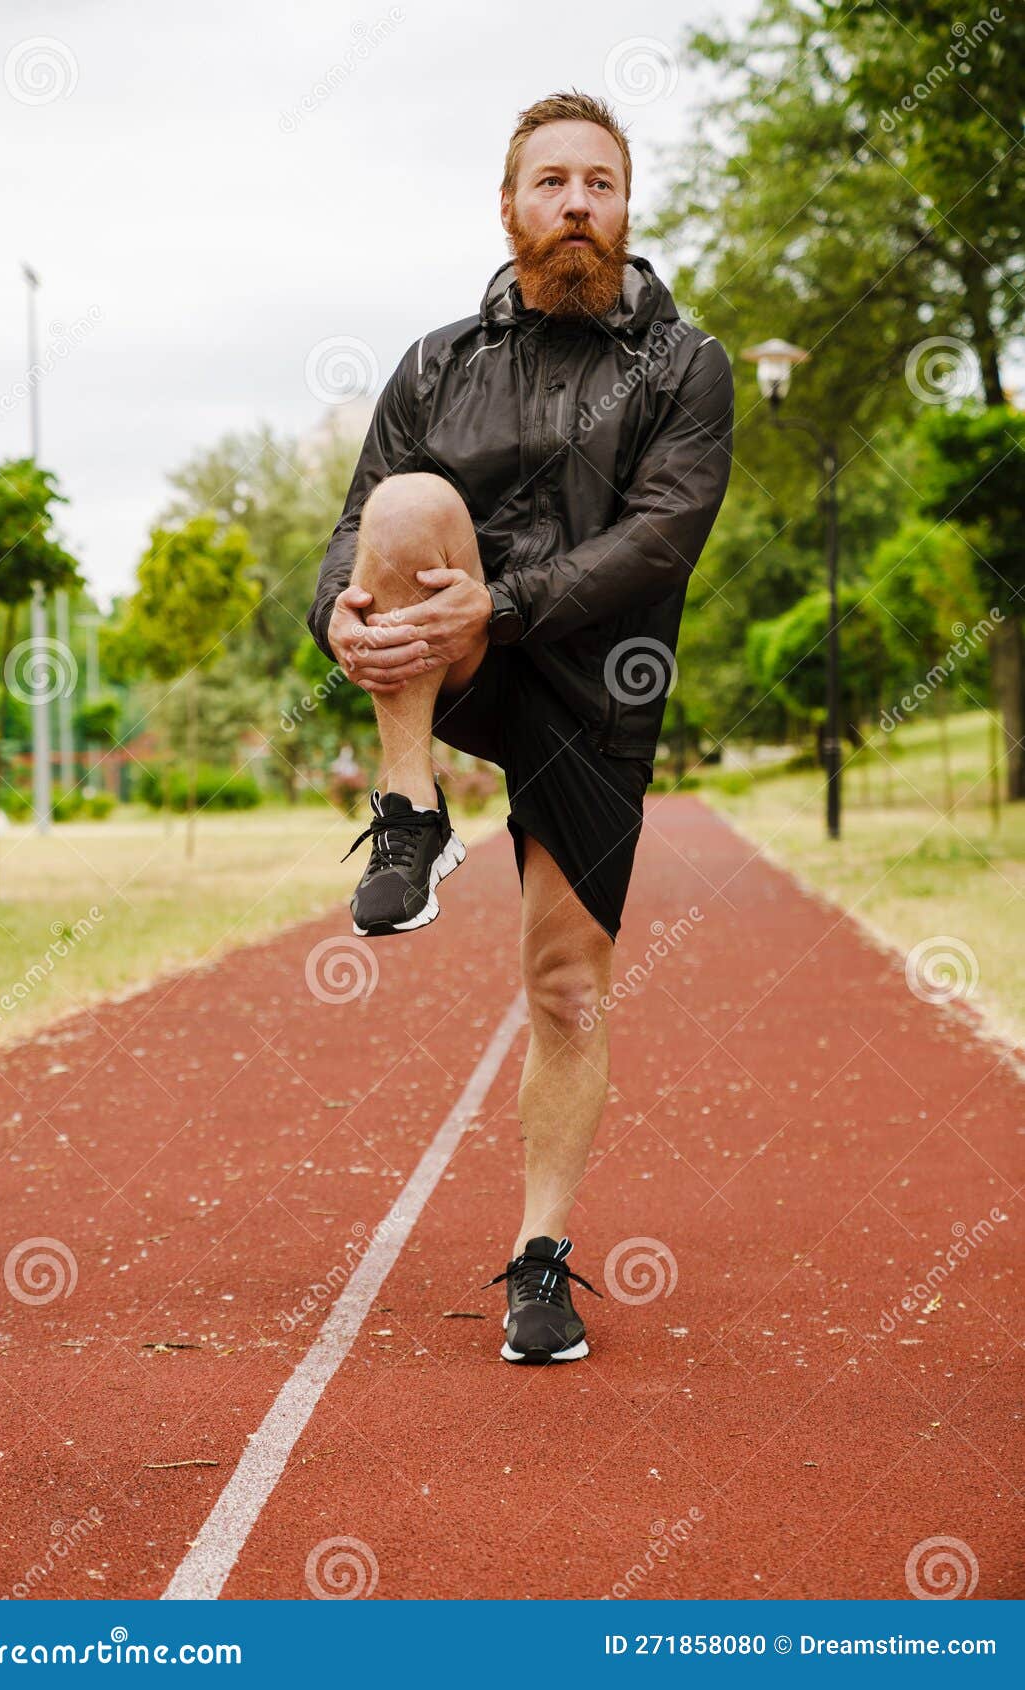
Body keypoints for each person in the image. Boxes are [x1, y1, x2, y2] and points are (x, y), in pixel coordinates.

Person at [309, 90, 734, 1363]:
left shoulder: (686, 365)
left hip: (596, 679)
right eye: (549, 183)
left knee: (564, 987)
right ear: (507, 210)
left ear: (623, 208)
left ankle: (539, 1257)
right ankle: (410, 809)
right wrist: (337, 608)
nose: (574, 206)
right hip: (458, 648)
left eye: (597, 184)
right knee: (405, 503)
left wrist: (502, 602)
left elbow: (657, 539)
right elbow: (351, 530)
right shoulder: (436, 363)